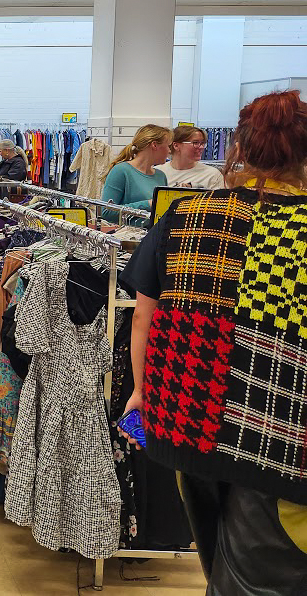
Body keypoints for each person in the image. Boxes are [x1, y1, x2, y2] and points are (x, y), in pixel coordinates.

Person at [119, 91, 307, 595]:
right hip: (278, 435)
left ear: (240, 148)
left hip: (186, 414)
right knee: (264, 577)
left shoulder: (186, 215)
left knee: (220, 564)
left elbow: (144, 316)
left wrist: (141, 391)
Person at [101, 124, 171, 215]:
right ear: (154, 145)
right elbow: (107, 212)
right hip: (127, 229)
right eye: (168, 146)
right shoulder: (121, 171)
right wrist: (148, 204)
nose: (169, 151)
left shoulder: (161, 176)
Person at [155, 126, 224, 189]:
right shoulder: (157, 172)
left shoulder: (212, 175)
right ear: (176, 146)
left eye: (202, 143)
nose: (201, 147)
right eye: (196, 143)